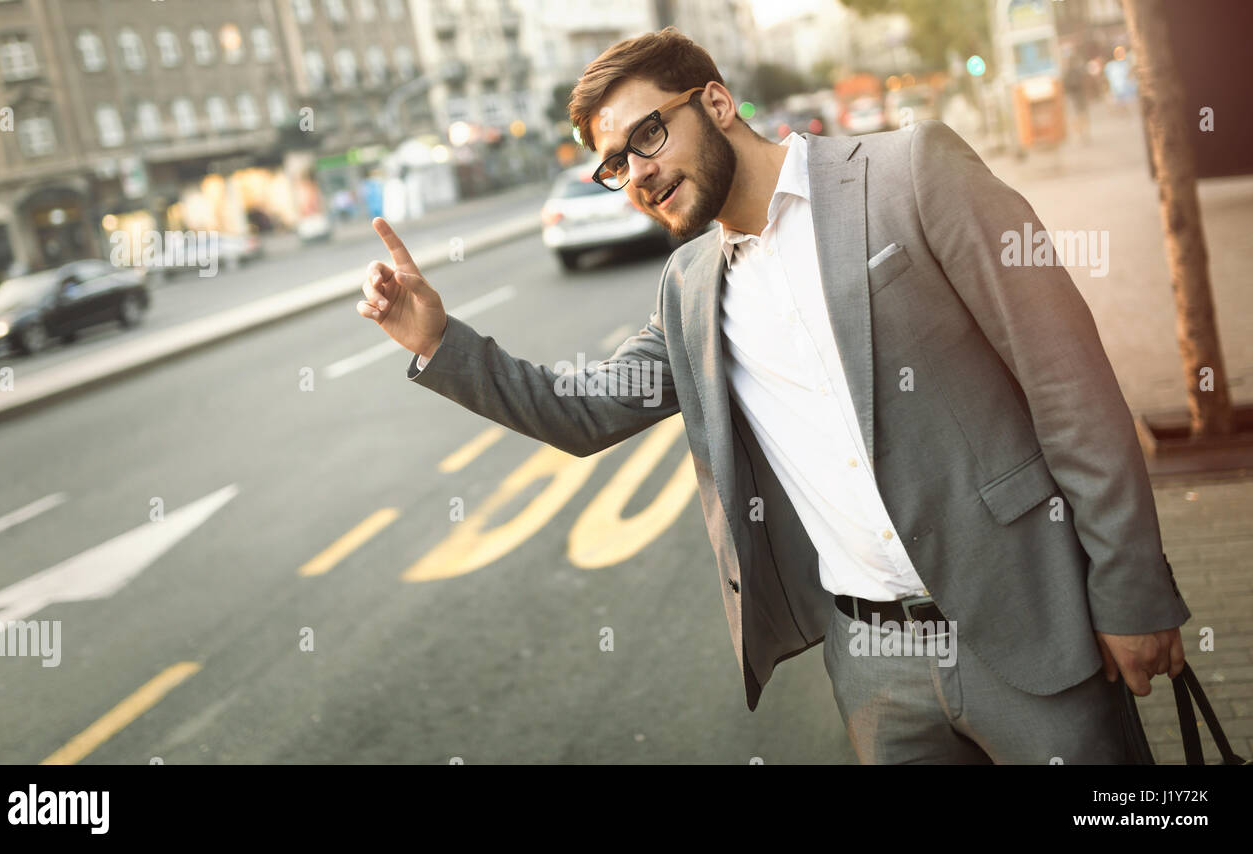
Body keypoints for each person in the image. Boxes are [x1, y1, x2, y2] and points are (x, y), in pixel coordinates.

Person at [355, 28, 1188, 764]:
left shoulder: (908, 173)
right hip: (873, 668)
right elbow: (585, 411)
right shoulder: (690, 290)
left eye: (649, 135)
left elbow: (1069, 384)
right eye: (615, 165)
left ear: (715, 102)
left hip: (1031, 626)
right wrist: (438, 341)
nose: (638, 176)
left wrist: (1131, 590)